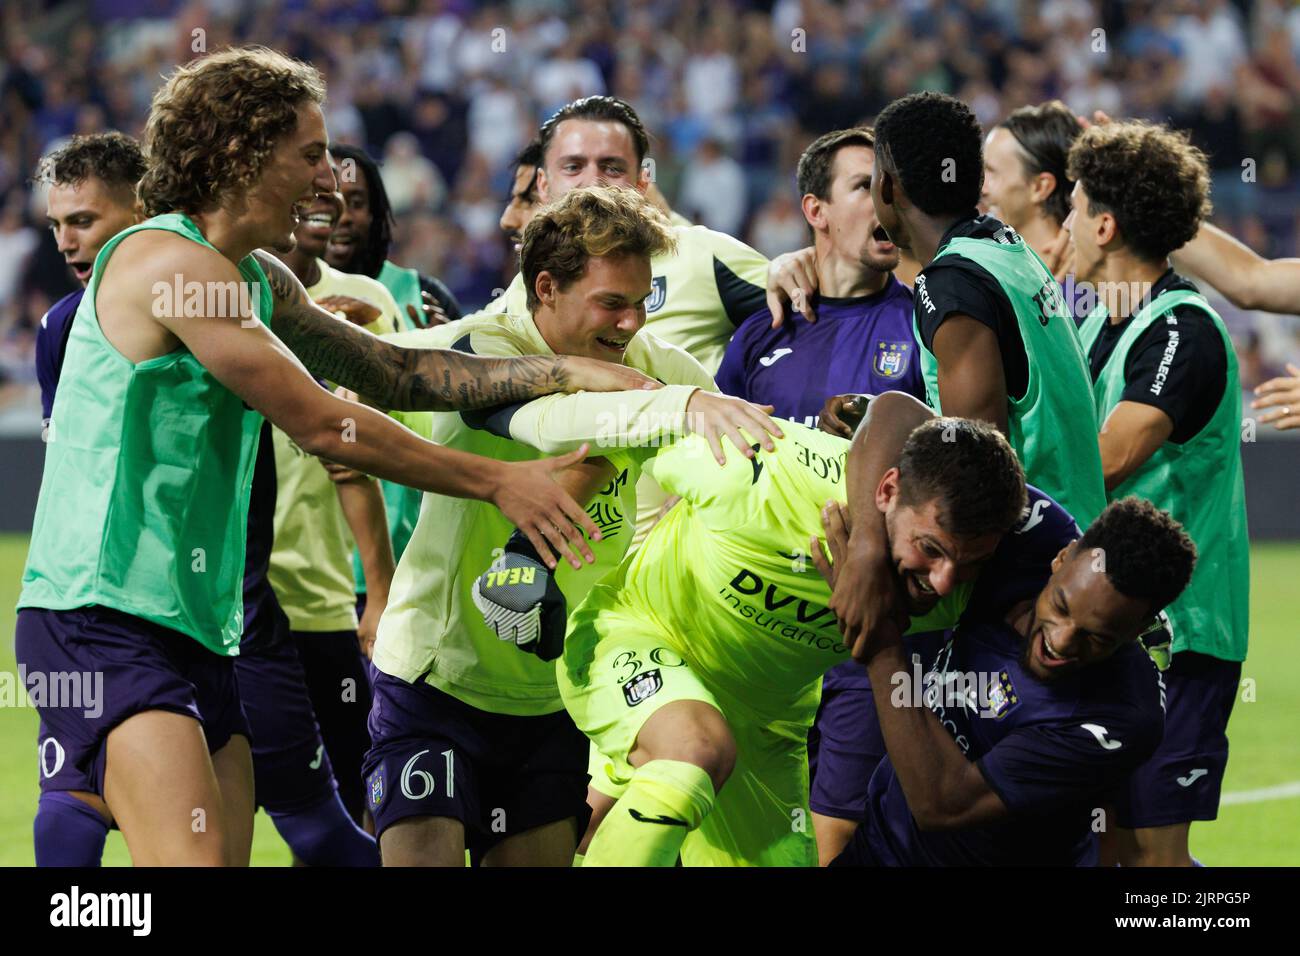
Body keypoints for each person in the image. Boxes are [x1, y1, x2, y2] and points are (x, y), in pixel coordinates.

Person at [14, 47, 655, 867]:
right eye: (311, 154)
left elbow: (389, 371)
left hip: (200, 629)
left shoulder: (254, 276)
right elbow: (324, 423)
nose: (328, 179)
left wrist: (560, 367)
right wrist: (501, 482)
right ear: (242, 152)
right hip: (103, 616)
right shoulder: (165, 265)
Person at [361, 185, 782, 867]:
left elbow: (736, 441)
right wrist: (675, 407)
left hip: (552, 695)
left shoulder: (655, 370)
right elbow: (547, 417)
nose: (630, 323)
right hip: (435, 681)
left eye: (643, 302)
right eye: (612, 303)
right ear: (547, 288)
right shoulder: (482, 346)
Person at [478, 389, 1043, 866]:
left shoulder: (984, 573)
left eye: (965, 566)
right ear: (887, 491)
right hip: (633, 637)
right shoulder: (761, 468)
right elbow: (617, 429)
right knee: (694, 749)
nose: (944, 583)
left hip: (768, 723)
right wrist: (523, 551)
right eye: (930, 550)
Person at [712, 126, 925, 863]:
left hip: (861, 637)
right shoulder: (759, 332)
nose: (885, 202)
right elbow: (703, 468)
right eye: (864, 186)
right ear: (816, 209)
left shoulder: (925, 325)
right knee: (752, 839)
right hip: (751, 634)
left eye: (891, 187)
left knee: (839, 840)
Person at [826, 496, 1195, 866]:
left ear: (1138, 631)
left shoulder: (1123, 717)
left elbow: (942, 804)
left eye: (1096, 637)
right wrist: (866, 550)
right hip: (876, 848)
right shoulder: (1034, 531)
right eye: (1061, 606)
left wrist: (880, 642)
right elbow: (926, 458)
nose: (1062, 641)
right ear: (1061, 559)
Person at [1068, 120, 1249, 866]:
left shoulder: (1183, 329)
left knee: (1155, 858)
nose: (1066, 229)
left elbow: (1110, 456)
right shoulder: (1095, 326)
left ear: (1106, 226)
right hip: (1112, 622)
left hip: (1181, 633)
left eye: (1074, 210)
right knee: (1113, 849)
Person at [35, 132, 145, 422]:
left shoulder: (203, 298)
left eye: (82, 222)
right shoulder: (57, 327)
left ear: (141, 214)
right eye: (55, 226)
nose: (64, 243)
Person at [980, 100, 1081, 269]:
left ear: (1041, 187)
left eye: (993, 172)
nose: (982, 188)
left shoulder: (1084, 287)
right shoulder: (981, 258)